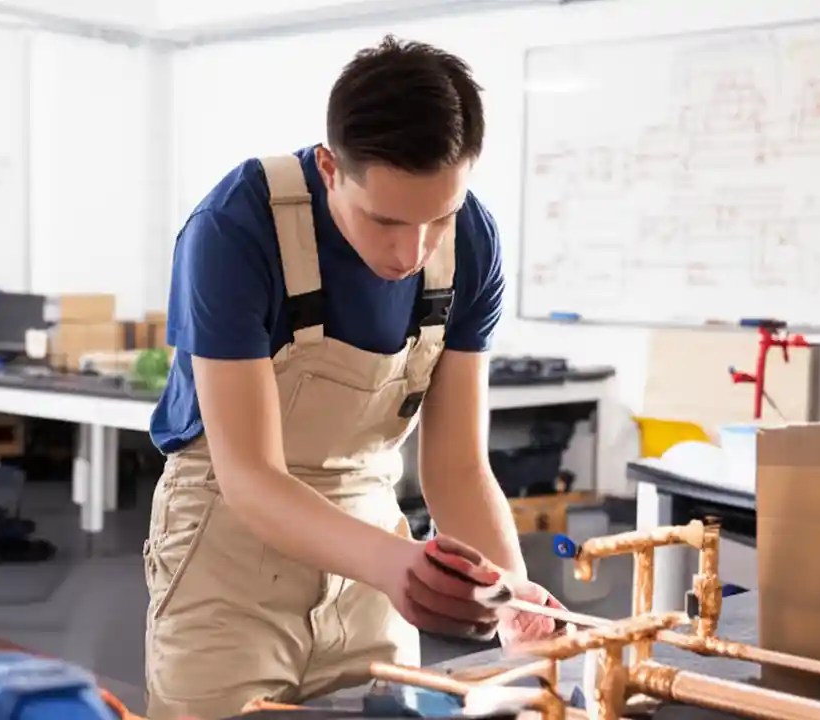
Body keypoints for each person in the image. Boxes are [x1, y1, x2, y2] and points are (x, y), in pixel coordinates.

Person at [144, 36, 565, 719]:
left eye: (438, 218)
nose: (412, 251)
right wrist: (395, 566)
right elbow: (250, 474)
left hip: (371, 530)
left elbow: (457, 466)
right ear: (330, 167)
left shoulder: (474, 244)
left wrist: (511, 594)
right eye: (386, 220)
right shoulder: (235, 228)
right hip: (228, 538)